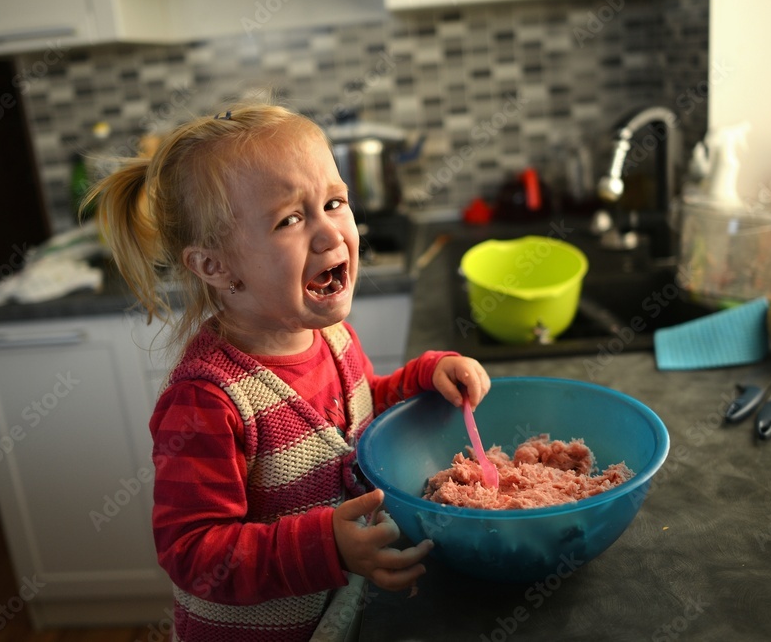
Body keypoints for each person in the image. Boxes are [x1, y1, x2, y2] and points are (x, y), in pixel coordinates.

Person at [88, 100, 490, 641]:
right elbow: (193, 553)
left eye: (335, 202)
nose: (328, 234)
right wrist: (325, 546)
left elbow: (361, 414)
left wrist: (424, 377)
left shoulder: (332, 336)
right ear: (215, 265)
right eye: (290, 219)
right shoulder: (209, 398)